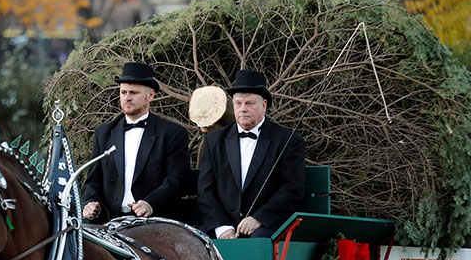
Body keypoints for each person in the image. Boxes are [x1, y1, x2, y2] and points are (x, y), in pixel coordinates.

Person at [197, 69, 305, 238]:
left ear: (264, 105)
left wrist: (259, 219)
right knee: (190, 242)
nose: (243, 109)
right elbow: (205, 190)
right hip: (223, 225)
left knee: (255, 244)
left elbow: (292, 189)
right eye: (238, 103)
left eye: (249, 103)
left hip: (266, 225)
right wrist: (222, 227)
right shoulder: (214, 141)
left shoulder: (288, 140)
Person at [82, 61, 193, 222]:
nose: (127, 98)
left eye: (133, 93)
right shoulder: (104, 132)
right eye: (123, 92)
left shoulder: (172, 133)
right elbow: (93, 180)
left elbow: (178, 179)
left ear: (151, 95)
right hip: (109, 222)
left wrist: (150, 203)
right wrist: (90, 202)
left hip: (154, 221)